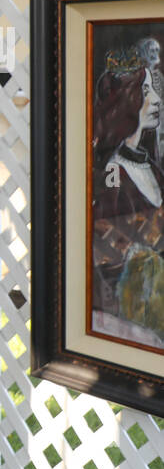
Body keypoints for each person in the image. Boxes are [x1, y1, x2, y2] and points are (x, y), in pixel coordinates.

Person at [90, 37, 164, 339]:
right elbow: (104, 248)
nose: (156, 100)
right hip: (131, 317)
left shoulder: (153, 169)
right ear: (127, 102)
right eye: (145, 92)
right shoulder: (113, 174)